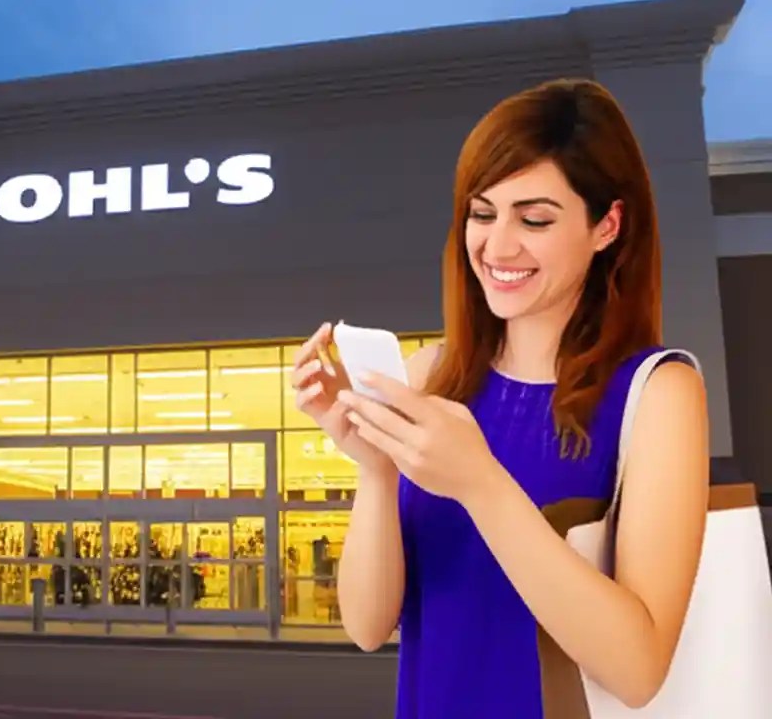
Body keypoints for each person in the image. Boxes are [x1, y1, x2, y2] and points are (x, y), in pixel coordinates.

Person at [291, 78, 709, 717]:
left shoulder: (657, 393)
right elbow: (368, 627)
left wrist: (481, 483)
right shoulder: (430, 376)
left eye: (534, 219)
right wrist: (375, 469)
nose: (499, 246)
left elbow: (638, 669)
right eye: (482, 214)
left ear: (607, 226)